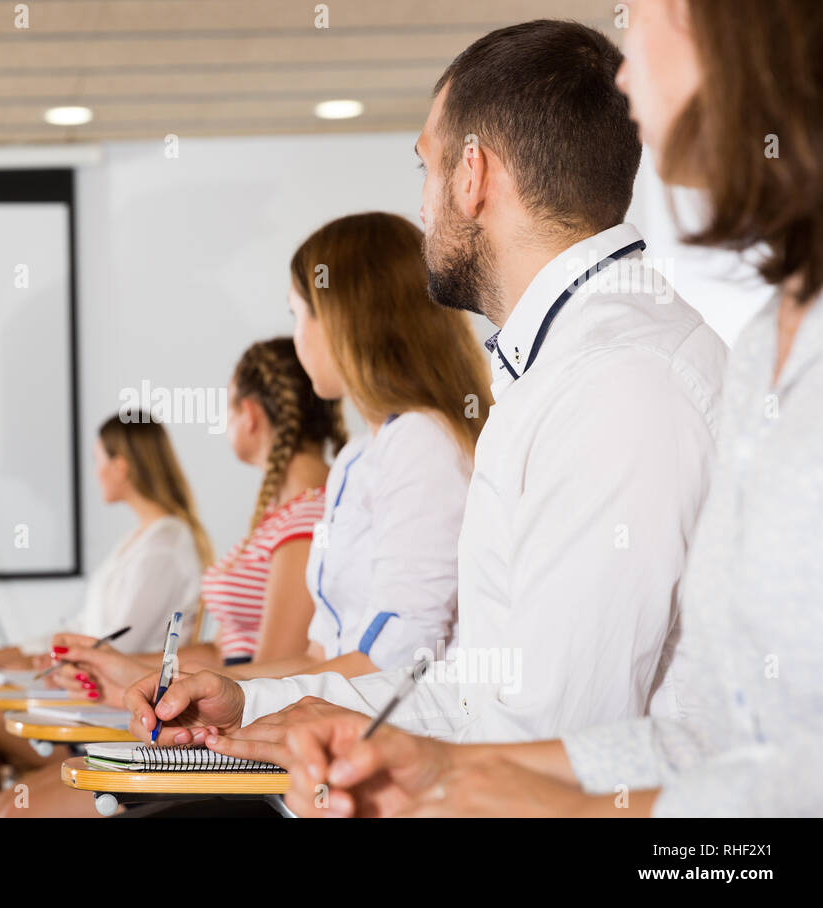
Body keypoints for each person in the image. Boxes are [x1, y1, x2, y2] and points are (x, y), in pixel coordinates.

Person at [269, 0, 823, 819]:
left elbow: (591, 727)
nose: (627, 72)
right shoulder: (730, 352)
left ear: (472, 172)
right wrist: (325, 730)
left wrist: (451, 781)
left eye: (656, 17)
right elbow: (701, 743)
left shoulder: (620, 377)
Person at [128, 19, 729, 750]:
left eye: (426, 166)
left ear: (472, 174)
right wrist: (257, 706)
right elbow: (479, 692)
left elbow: (554, 734)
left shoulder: (617, 384)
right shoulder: (570, 365)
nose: (421, 207)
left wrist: (327, 744)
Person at [63, 212, 489, 713]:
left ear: (343, 318)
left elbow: (393, 661)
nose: (297, 335)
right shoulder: (359, 455)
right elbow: (315, 656)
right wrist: (160, 677)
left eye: (298, 314)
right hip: (332, 729)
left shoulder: (423, 442)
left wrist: (236, 699)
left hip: (384, 743)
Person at [0, 337, 343, 818]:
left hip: (238, 739)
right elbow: (225, 652)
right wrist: (127, 669)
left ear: (250, 414)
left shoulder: (304, 521)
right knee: (8, 805)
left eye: (228, 408)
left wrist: (166, 683)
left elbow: (275, 666)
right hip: (223, 718)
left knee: (13, 811)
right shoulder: (282, 516)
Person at [0, 412, 209, 817]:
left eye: (98, 460)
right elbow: (78, 633)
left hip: (112, 717)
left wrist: (37, 657)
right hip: (88, 705)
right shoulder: (138, 540)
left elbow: (109, 649)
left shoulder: (165, 545)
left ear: (121, 465)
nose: (94, 472)